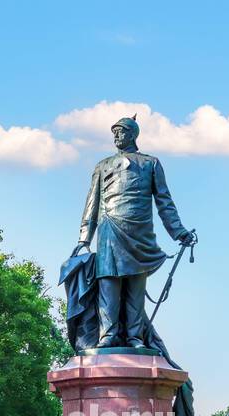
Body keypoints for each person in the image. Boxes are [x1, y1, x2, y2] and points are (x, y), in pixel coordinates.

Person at [76, 115, 196, 348]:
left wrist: (179, 232)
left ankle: (134, 337)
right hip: (109, 231)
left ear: (133, 134)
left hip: (140, 234)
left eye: (120, 131)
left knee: (135, 288)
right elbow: (91, 203)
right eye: (114, 132)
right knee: (108, 284)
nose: (116, 136)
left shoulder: (150, 163)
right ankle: (107, 335)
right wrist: (84, 239)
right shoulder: (102, 165)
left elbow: (164, 202)